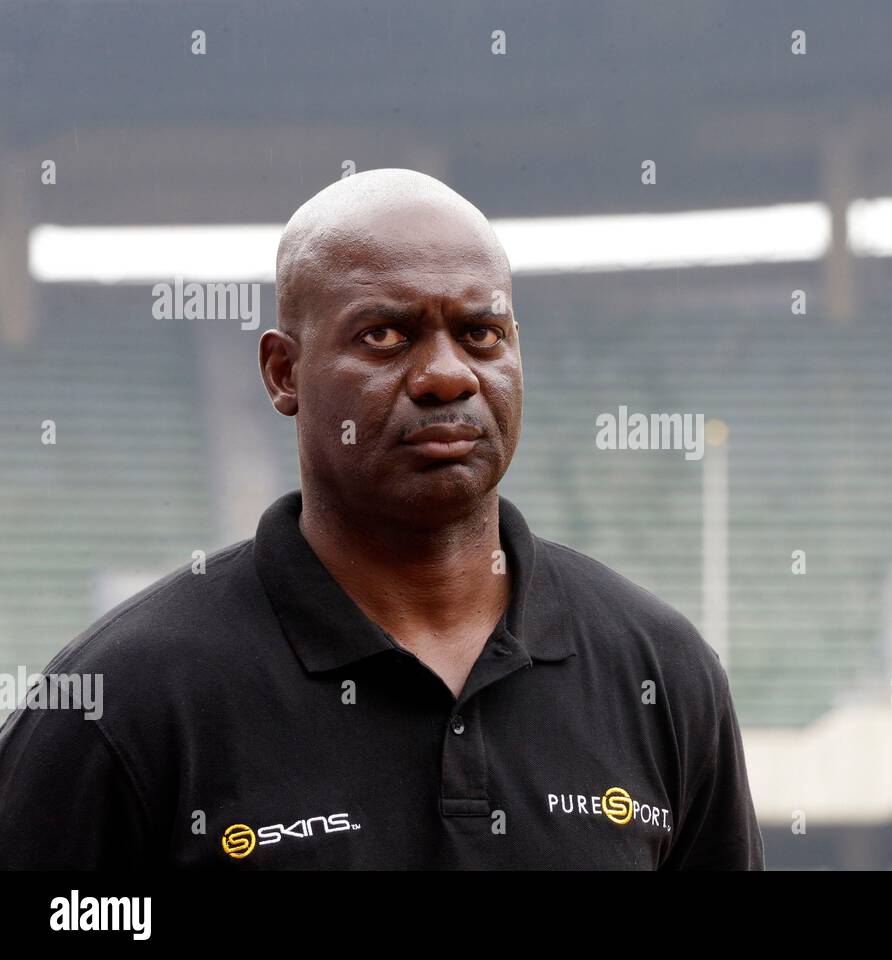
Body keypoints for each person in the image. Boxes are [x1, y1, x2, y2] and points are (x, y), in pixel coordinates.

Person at [0, 169, 764, 869]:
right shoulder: (122, 698)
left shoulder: (659, 672)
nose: (446, 374)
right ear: (283, 371)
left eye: (481, 334)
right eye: (385, 336)